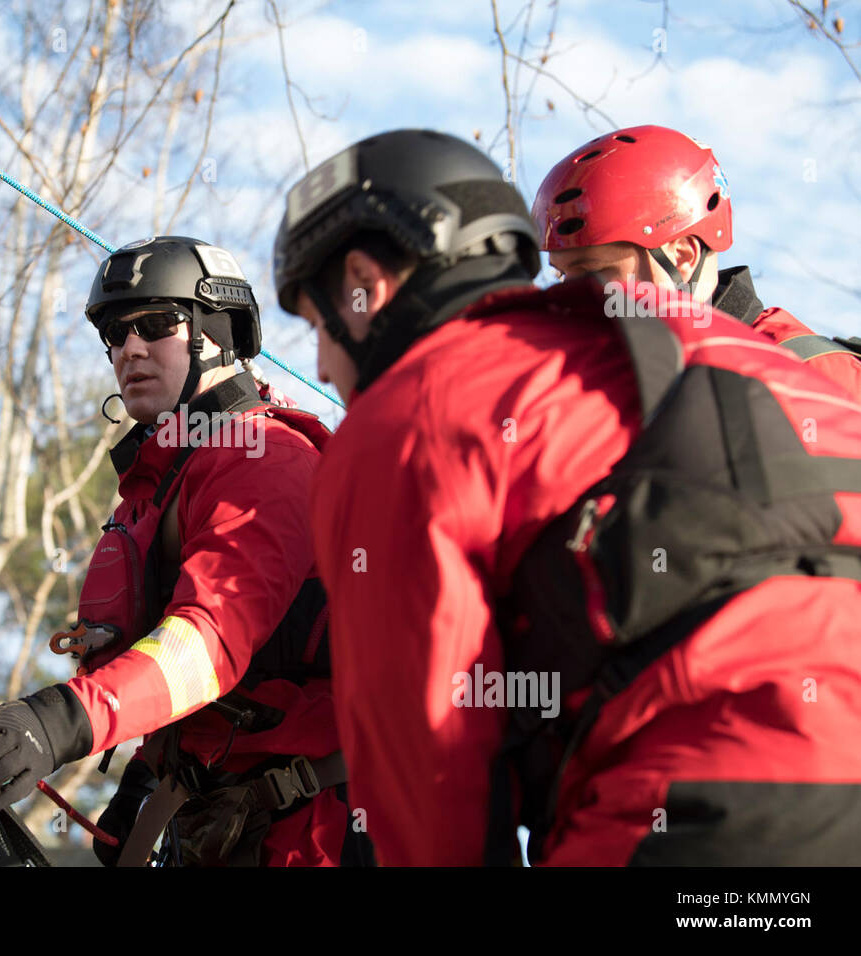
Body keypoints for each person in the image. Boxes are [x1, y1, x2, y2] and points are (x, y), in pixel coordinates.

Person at [273, 128, 861, 865]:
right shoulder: (761, 364)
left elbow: (429, 768)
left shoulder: (411, 412)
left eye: (317, 325)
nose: (322, 365)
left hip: (694, 813)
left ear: (368, 283)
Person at [0, 236, 372, 866]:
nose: (128, 349)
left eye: (153, 325)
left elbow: (209, 646)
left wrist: (59, 721)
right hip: (223, 819)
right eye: (115, 335)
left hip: (320, 831)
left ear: (216, 332)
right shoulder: (158, 485)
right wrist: (146, 782)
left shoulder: (265, 458)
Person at [533, 124, 861, 399]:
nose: (572, 297)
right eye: (562, 276)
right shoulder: (586, 388)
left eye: (594, 272)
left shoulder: (818, 382)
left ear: (683, 257)